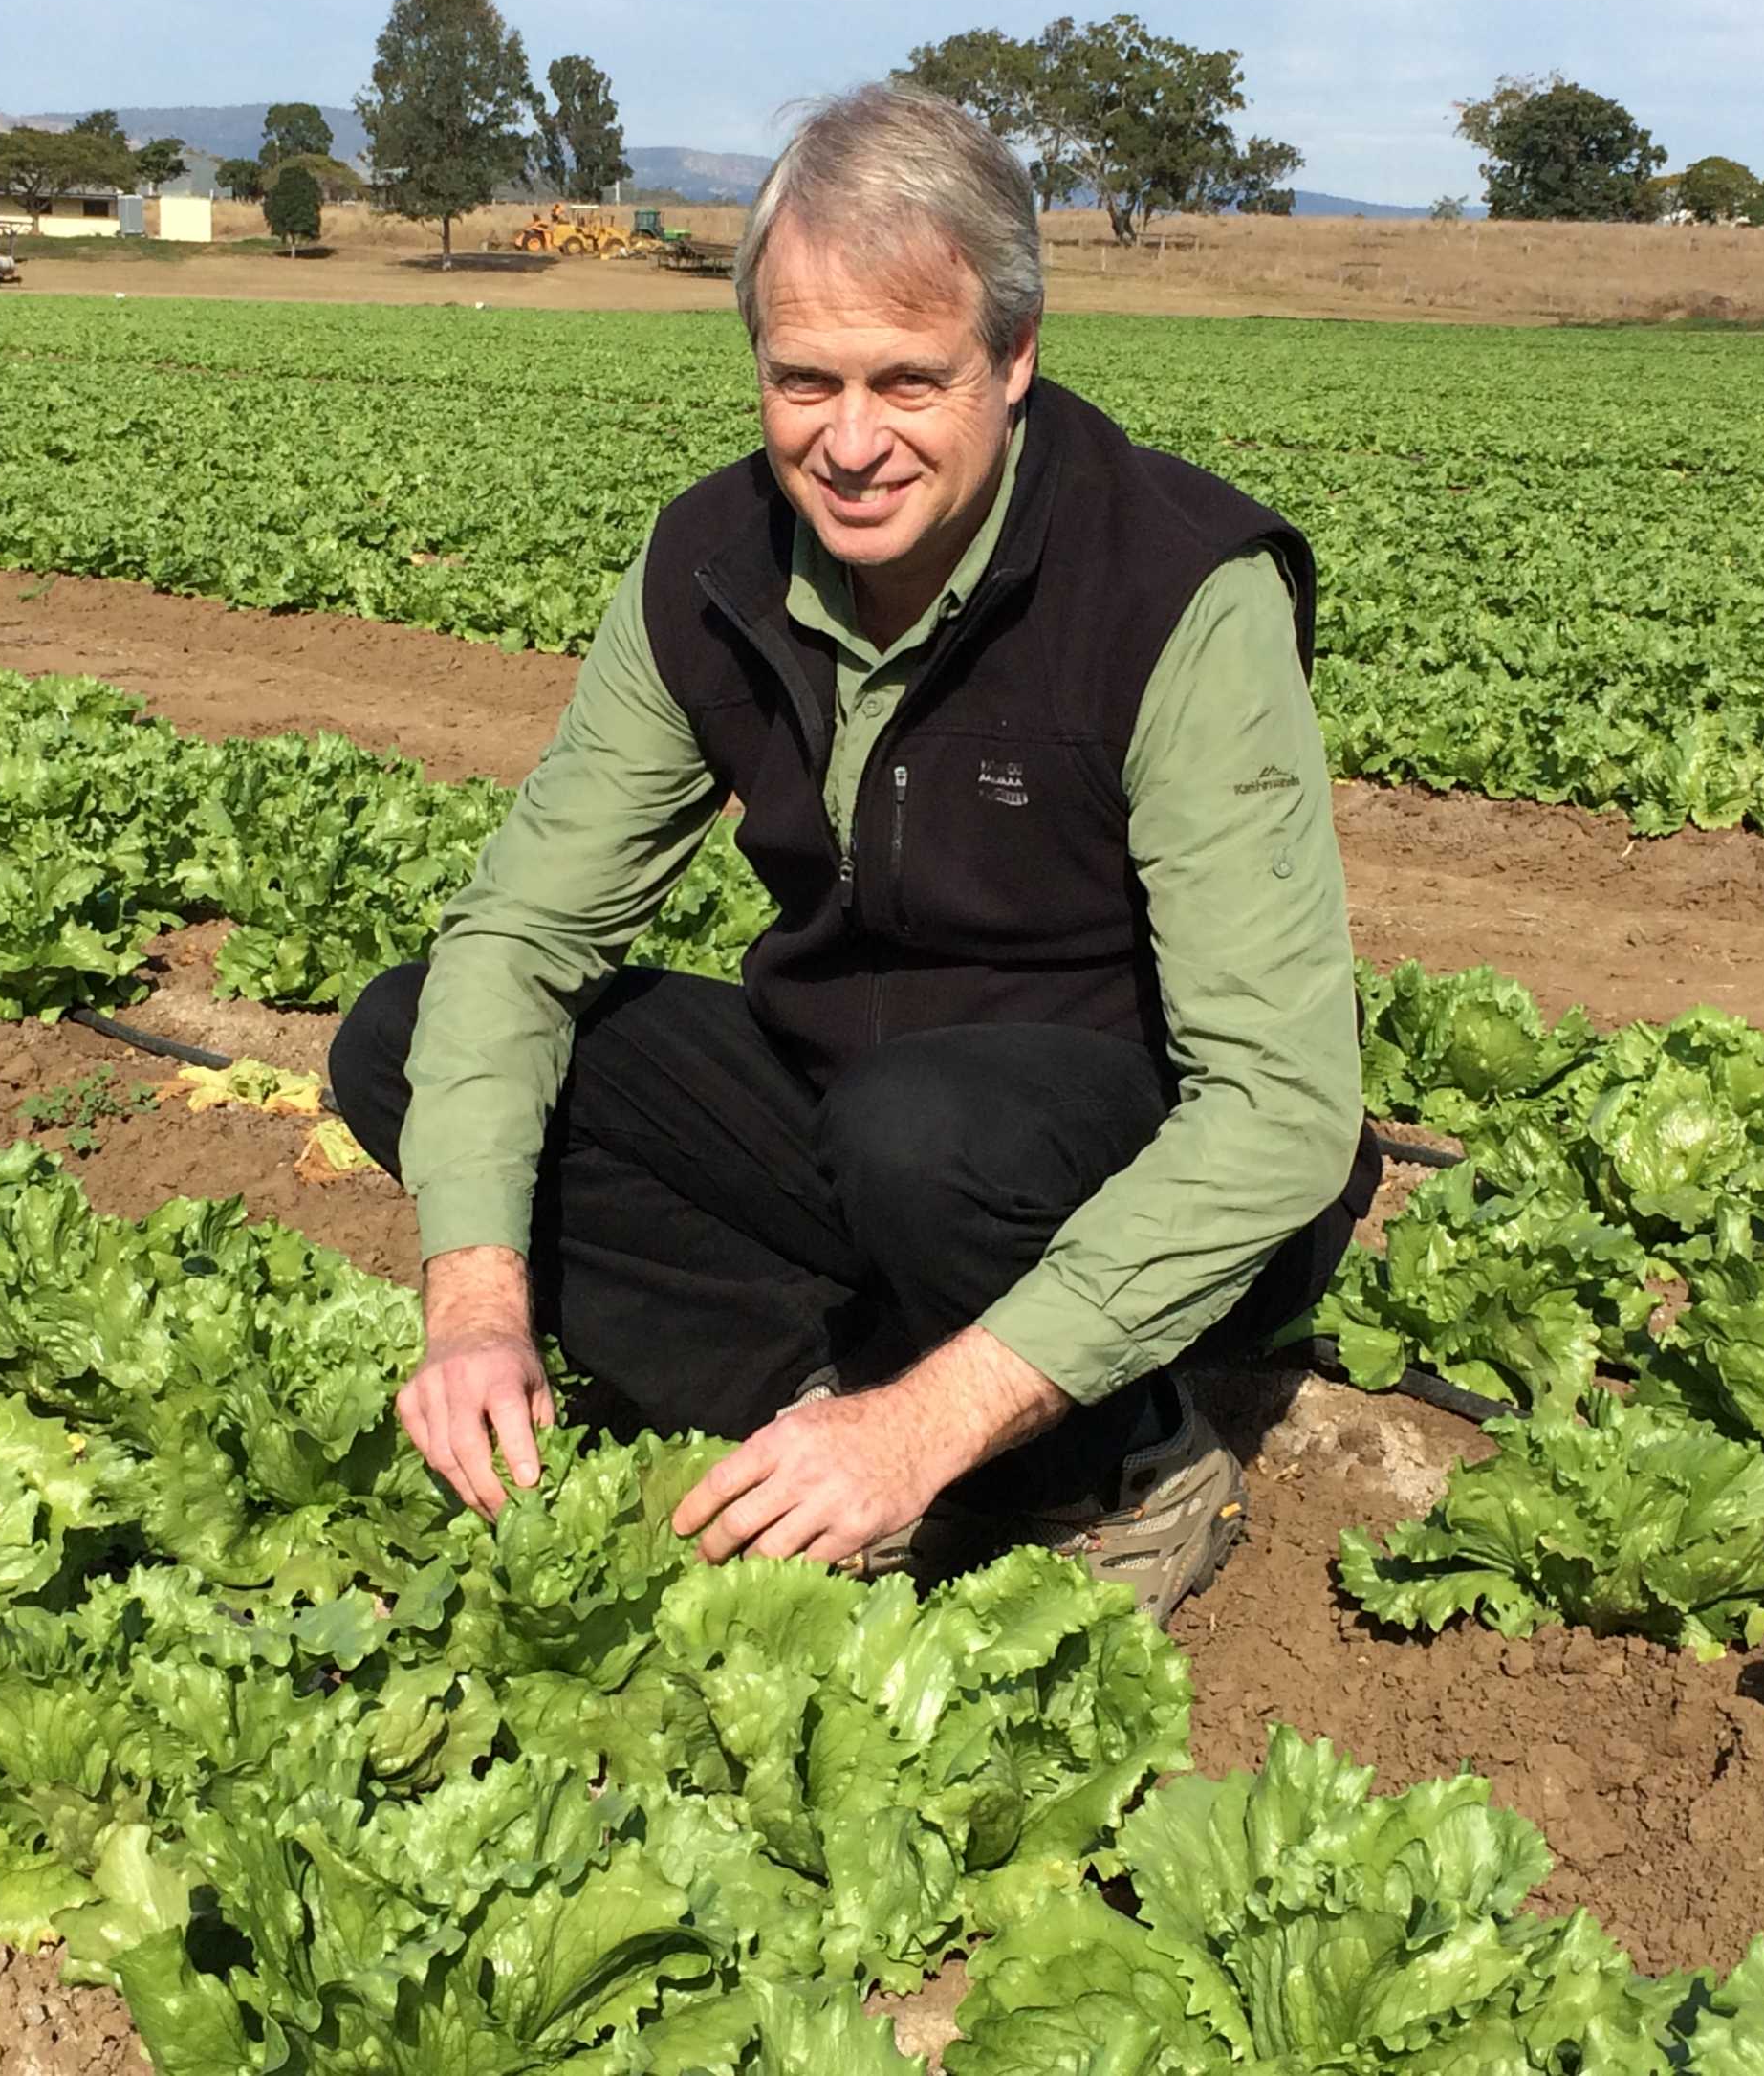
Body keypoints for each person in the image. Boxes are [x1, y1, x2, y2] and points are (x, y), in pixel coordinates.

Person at [328, 83, 1378, 1624]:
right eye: (803, 380)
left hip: (1122, 1151)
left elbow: (1284, 1111)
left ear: (1016, 357)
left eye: (909, 379)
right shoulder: (710, 567)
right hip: (856, 1107)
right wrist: (475, 1301)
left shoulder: (1171, 590)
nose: (852, 442)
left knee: (924, 1130)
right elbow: (519, 937)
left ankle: (1125, 1460)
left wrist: (927, 1425)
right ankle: (827, 1406)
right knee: (411, 1038)